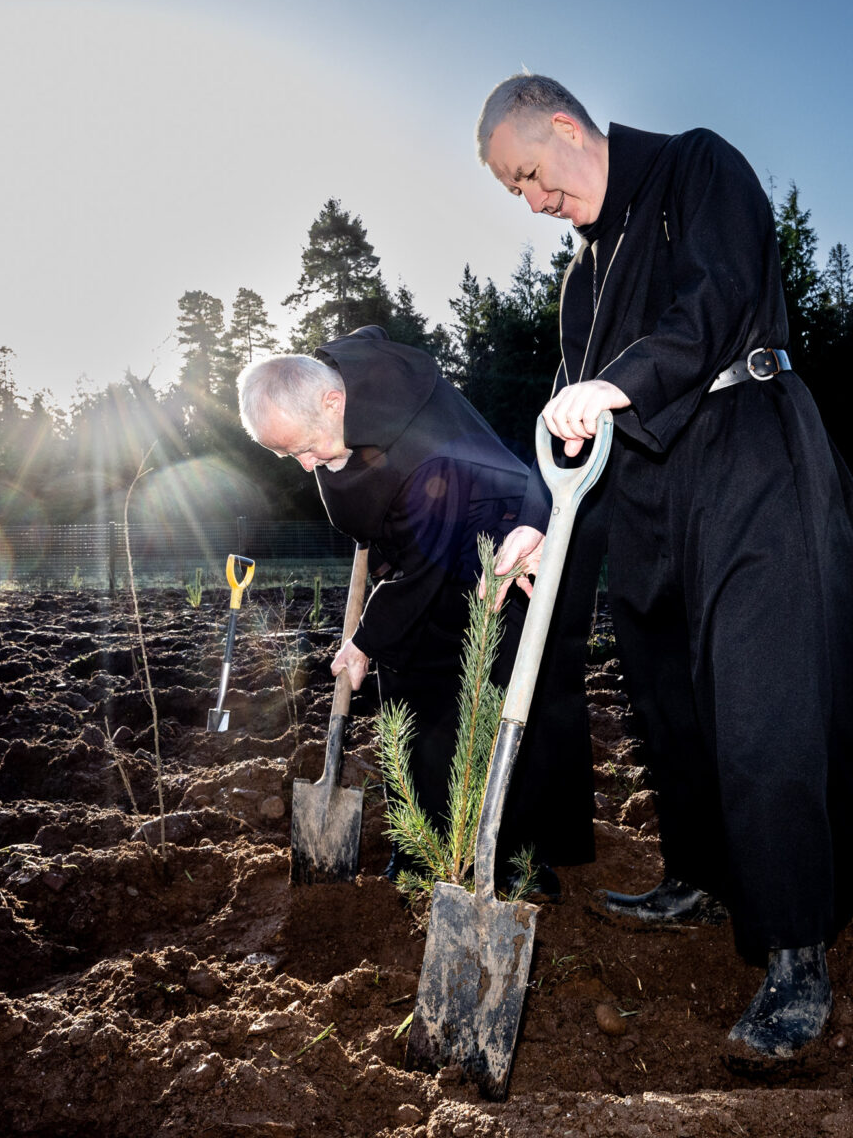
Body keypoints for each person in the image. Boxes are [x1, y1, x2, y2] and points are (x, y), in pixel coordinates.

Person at [477, 73, 853, 1066]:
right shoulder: (579, 282)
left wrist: (621, 381)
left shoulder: (698, 167)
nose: (532, 200)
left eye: (528, 174)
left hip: (748, 453)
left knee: (761, 699)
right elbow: (570, 415)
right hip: (649, 495)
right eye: (514, 192)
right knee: (671, 699)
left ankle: (794, 952)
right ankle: (697, 872)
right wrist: (539, 528)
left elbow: (719, 297)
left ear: (563, 127)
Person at [237, 326, 595, 891]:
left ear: (335, 402)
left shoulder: (416, 450)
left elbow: (424, 569)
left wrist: (364, 638)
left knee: (499, 695)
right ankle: (422, 844)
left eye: (304, 447)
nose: (304, 466)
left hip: (497, 548)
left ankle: (515, 861)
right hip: (419, 546)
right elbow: (365, 337)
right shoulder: (346, 375)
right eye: (288, 455)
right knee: (407, 686)